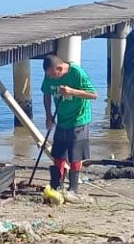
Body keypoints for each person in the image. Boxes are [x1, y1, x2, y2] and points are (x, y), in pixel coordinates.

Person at [40, 54, 97, 195]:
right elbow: (46, 93)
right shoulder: (49, 75)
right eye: (49, 76)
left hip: (79, 118)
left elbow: (93, 95)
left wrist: (71, 91)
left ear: (59, 68)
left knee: (75, 155)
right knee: (58, 153)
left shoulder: (77, 73)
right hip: (61, 118)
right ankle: (57, 185)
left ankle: (73, 188)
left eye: (53, 75)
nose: (51, 78)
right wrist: (48, 115)